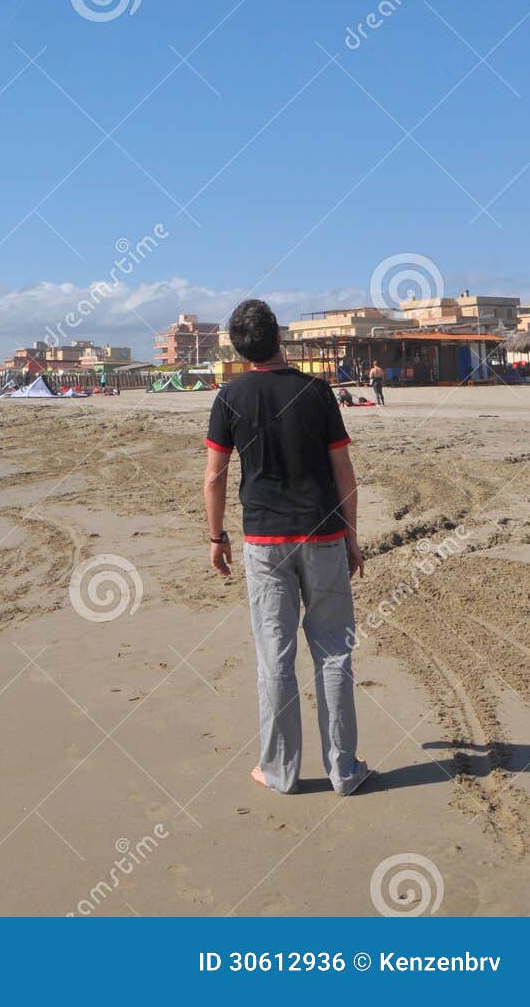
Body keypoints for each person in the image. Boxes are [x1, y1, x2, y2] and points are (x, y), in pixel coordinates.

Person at [203, 298, 370, 798]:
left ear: (240, 349)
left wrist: (216, 538)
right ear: (280, 338)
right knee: (334, 651)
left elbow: (214, 477)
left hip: (264, 540)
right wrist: (351, 536)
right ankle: (344, 770)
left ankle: (279, 771)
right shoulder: (317, 393)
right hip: (322, 533)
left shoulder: (229, 397)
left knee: (274, 655)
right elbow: (344, 472)